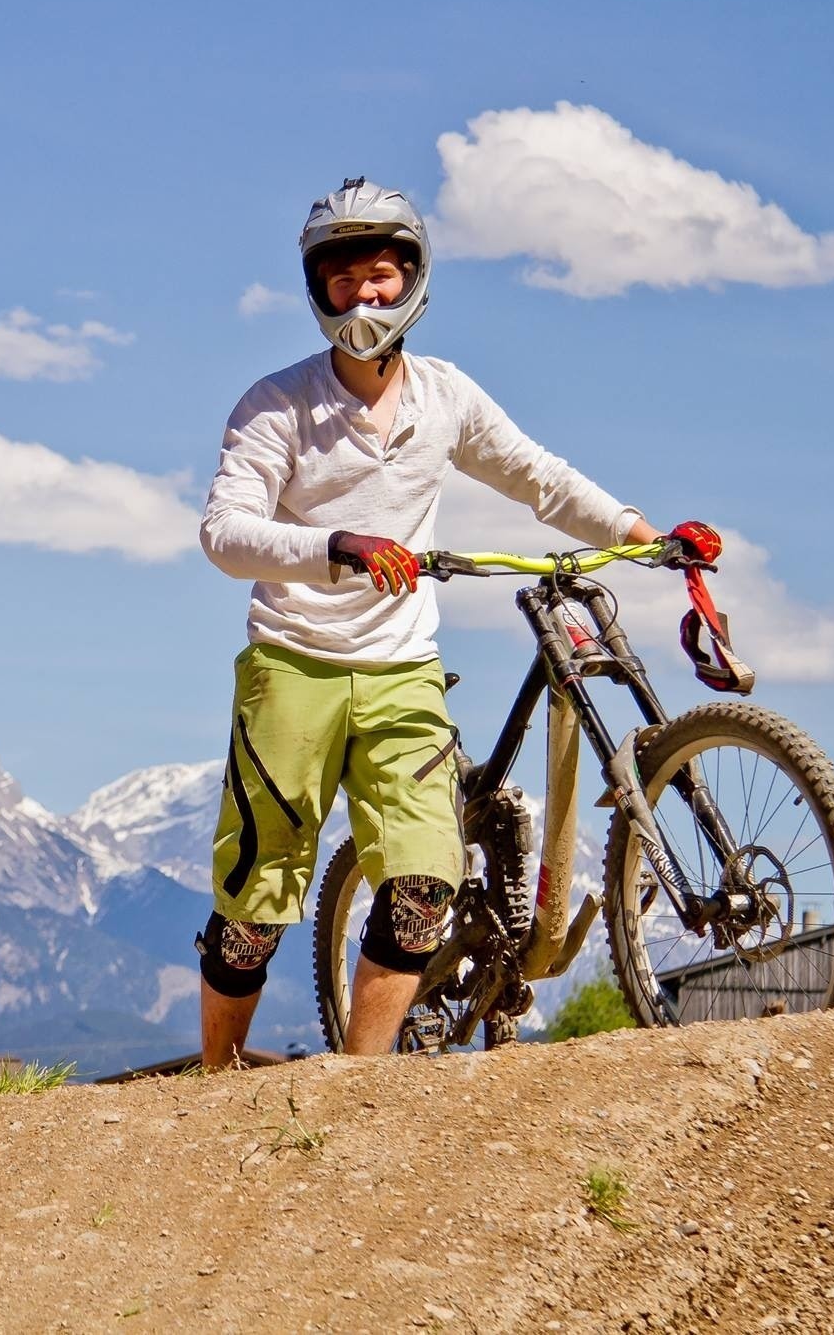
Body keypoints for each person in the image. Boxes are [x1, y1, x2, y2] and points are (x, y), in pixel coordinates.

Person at [196, 177, 718, 1067]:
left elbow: (538, 477)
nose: (366, 294)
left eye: (384, 274)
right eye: (345, 278)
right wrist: (340, 545)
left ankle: (359, 1088)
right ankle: (213, 1079)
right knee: (255, 904)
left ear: (415, 280)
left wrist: (645, 537)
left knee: (425, 886)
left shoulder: (446, 397)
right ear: (318, 289)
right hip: (294, 664)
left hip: (403, 669)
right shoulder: (274, 404)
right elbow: (224, 533)